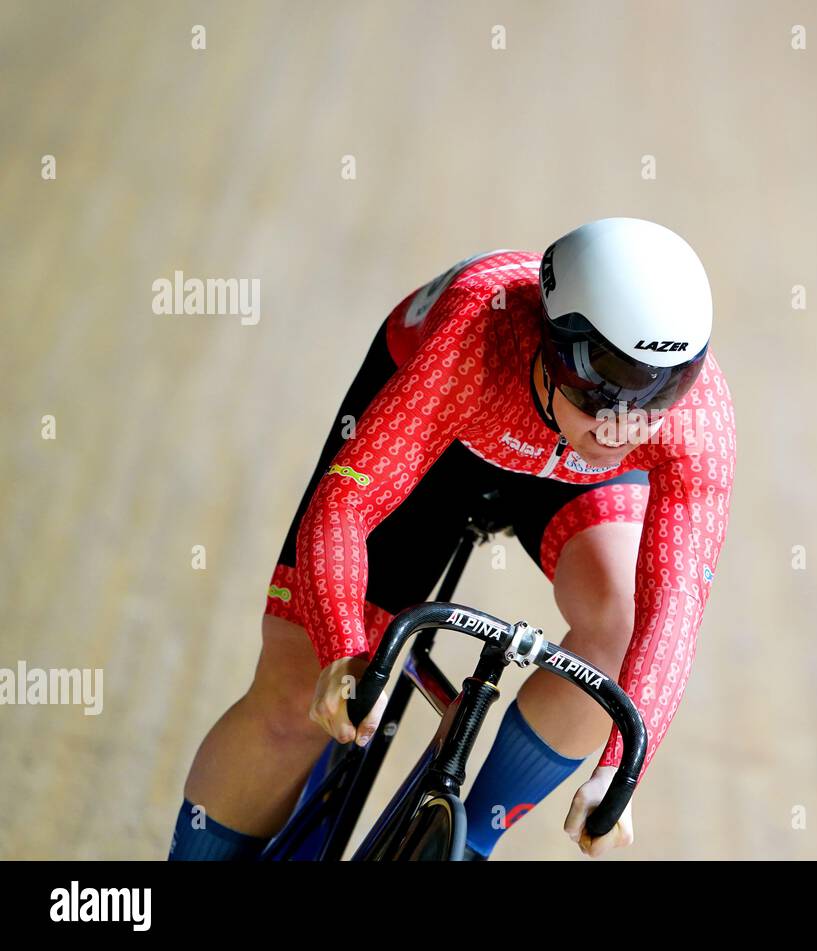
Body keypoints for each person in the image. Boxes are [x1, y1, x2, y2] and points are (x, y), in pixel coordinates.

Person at [170, 217, 736, 860]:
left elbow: (675, 611)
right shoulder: (477, 329)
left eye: (657, 395)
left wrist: (619, 771)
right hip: (449, 422)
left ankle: (463, 845)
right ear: (555, 342)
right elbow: (347, 502)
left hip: (564, 462)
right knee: (295, 696)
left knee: (623, 621)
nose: (620, 425)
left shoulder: (694, 418)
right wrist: (339, 647)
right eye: (603, 389)